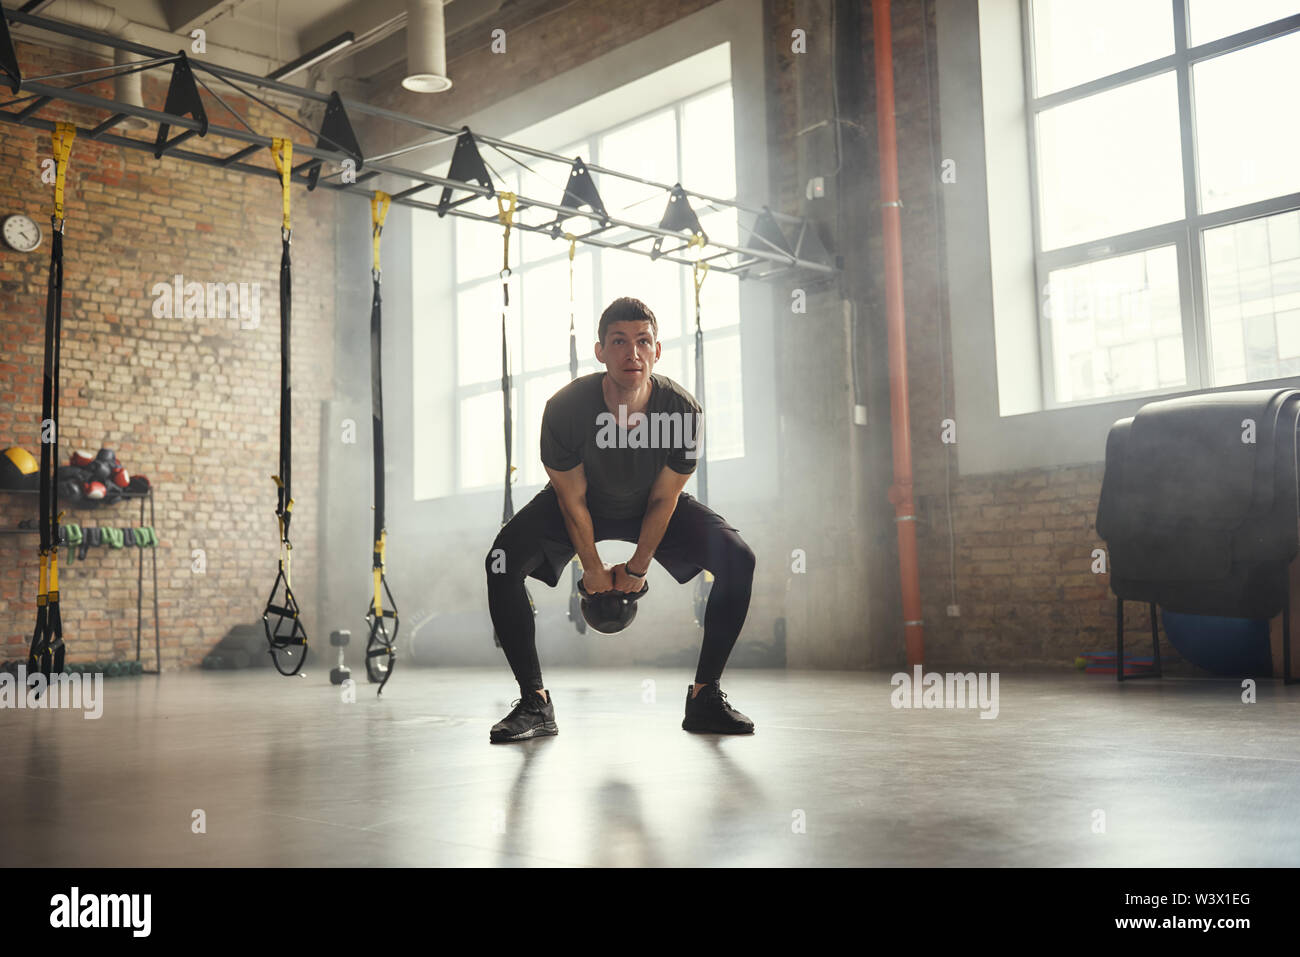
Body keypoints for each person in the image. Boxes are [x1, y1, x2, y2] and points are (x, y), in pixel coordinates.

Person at [485, 296, 756, 742]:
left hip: (648, 502)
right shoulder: (565, 409)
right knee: (501, 560)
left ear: (657, 351)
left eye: (643, 342)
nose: (633, 353)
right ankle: (535, 703)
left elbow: (664, 500)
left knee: (738, 559)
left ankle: (705, 697)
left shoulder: (682, 411)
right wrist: (592, 569)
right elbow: (572, 501)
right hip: (581, 502)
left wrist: (637, 569)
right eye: (619, 342)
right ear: (600, 351)